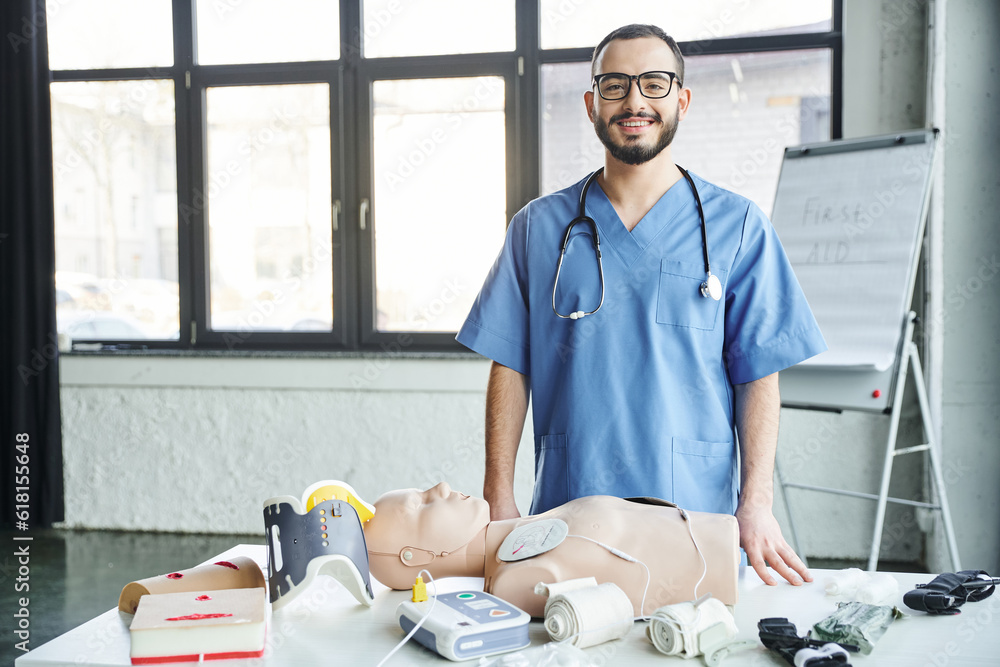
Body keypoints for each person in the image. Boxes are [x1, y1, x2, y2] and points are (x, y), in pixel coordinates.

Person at [456, 24, 827, 588]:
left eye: (654, 83)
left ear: (681, 99)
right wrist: (498, 495)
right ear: (591, 104)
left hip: (695, 514)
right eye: (615, 85)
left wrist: (756, 504)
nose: (634, 101)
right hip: (568, 508)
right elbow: (510, 363)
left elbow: (758, 374)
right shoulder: (538, 227)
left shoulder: (738, 226)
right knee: (567, 641)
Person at [363, 482, 740, 618]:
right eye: (423, 504)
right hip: (720, 576)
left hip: (720, 539)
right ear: (414, 557)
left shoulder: (530, 532)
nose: (441, 487)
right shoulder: (516, 583)